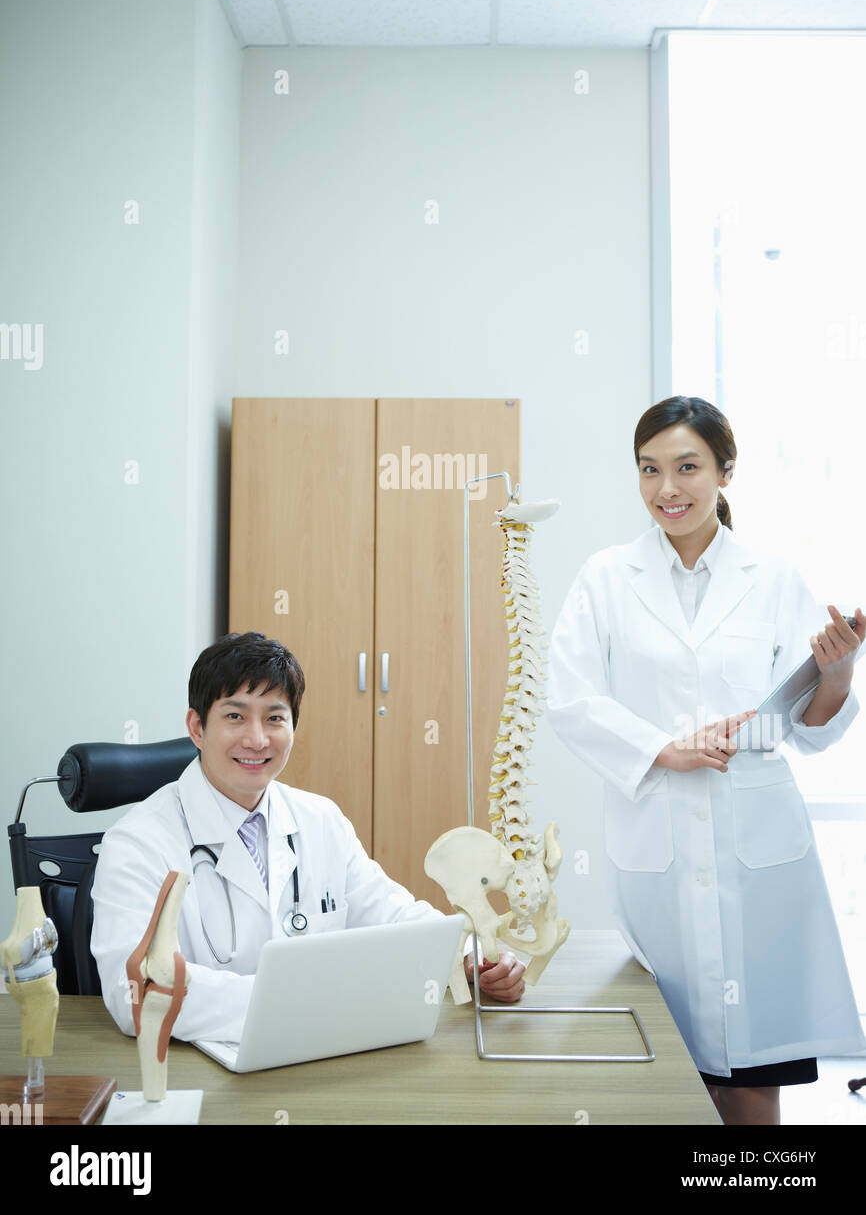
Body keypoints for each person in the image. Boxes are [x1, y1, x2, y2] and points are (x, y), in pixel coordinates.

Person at [546, 395, 866, 1127]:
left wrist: (840, 675)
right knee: (667, 1081)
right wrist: (664, 748)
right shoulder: (606, 577)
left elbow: (808, 727)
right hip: (657, 843)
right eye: (649, 469)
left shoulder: (773, 577)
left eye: (687, 467)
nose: (668, 488)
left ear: (725, 472)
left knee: (755, 1077)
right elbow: (567, 697)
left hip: (759, 856)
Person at [91, 631, 525, 1043]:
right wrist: (299, 1005)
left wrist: (470, 957)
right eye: (235, 716)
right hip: (201, 1072)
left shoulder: (320, 820)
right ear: (197, 727)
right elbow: (139, 989)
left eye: (275, 718)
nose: (257, 739)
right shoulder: (137, 843)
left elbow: (392, 914)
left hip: (317, 1057)